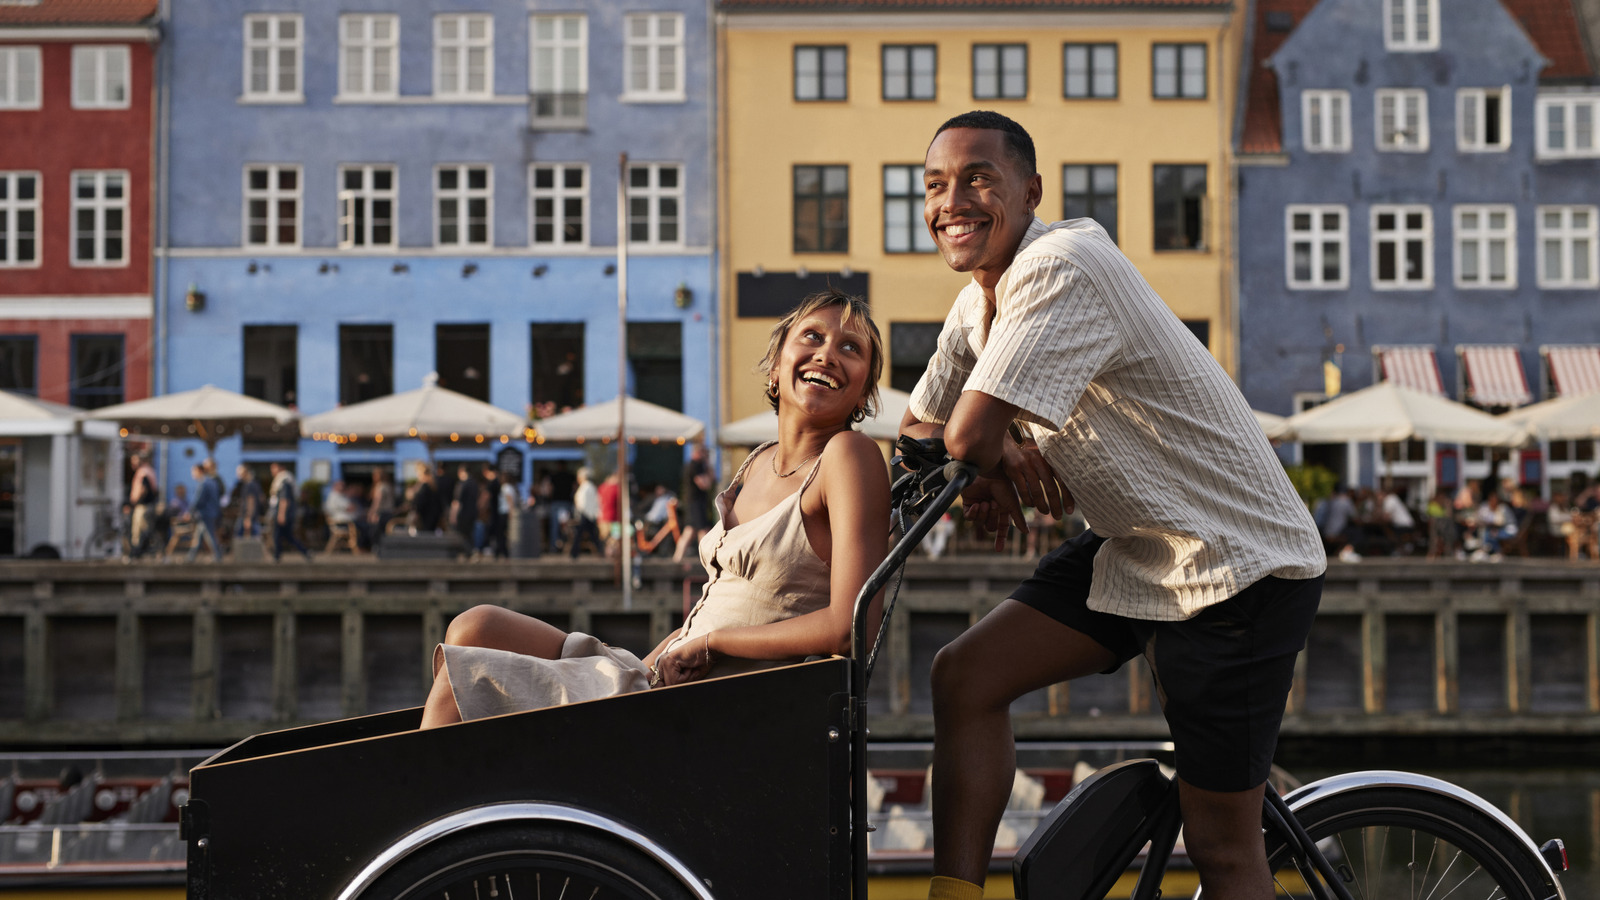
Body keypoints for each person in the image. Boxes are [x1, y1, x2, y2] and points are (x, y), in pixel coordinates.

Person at [899, 112, 1326, 900]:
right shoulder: (975, 307)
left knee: (1223, 845)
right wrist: (1001, 457)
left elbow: (960, 436)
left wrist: (985, 447)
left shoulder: (1061, 264)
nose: (950, 201)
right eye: (934, 186)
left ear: (1032, 192)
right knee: (965, 677)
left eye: (978, 178)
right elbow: (920, 428)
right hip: (1138, 549)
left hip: (1236, 564)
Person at [420, 289, 891, 728]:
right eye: (812, 336)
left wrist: (710, 644)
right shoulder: (756, 462)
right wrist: (648, 664)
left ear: (865, 393)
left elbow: (850, 626)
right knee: (474, 626)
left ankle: (430, 816)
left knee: (462, 681)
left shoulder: (848, 455)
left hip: (713, 709)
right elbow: (716, 604)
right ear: (775, 365)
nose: (828, 353)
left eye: (851, 348)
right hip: (663, 679)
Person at [675, 443, 715, 563]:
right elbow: (705, 484)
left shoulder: (695, 465)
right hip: (695, 503)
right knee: (702, 531)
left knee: (690, 531)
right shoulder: (695, 466)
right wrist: (708, 467)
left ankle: (677, 558)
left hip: (695, 503)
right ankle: (706, 559)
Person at [268, 461, 312, 562]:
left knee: (278, 534)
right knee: (287, 535)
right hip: (284, 513)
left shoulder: (284, 481)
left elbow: (284, 499)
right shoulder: (283, 480)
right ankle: (305, 552)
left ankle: (277, 556)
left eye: (274, 469)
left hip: (284, 513)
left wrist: (281, 514)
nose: (272, 472)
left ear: (280, 468)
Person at [124, 453, 159, 560]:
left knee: (139, 530)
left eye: (134, 461)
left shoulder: (143, 473)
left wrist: (133, 503)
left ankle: (138, 552)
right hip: (147, 505)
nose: (132, 464)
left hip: (143, 506)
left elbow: (143, 489)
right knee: (145, 529)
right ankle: (143, 551)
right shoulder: (148, 471)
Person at [187, 463, 224, 562]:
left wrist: (189, 512)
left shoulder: (204, 483)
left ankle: (218, 556)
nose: (192, 474)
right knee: (199, 535)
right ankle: (191, 557)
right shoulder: (212, 482)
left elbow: (198, 500)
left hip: (205, 513)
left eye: (193, 472)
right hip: (212, 512)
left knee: (210, 536)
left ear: (199, 471)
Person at [568, 467, 601, 558]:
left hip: (586, 515)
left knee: (581, 535)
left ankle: (574, 553)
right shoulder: (588, 487)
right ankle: (574, 553)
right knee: (591, 535)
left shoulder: (587, 487)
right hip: (587, 515)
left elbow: (583, 503)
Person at [364, 468, 396, 549]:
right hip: (389, 513)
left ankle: (377, 547)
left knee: (375, 531)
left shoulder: (380, 486)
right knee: (386, 531)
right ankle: (385, 548)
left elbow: (377, 501)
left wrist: (372, 512)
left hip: (381, 513)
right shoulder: (389, 486)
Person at [230, 465, 265, 540]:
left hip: (247, 516)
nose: (238, 475)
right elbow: (261, 498)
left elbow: (251, 501)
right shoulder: (254, 484)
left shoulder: (249, 485)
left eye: (239, 473)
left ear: (245, 473)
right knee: (255, 535)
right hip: (251, 515)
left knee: (239, 534)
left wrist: (248, 517)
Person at [409, 461, 443, 534]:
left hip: (424, 519)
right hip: (433, 518)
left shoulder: (424, 486)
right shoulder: (433, 485)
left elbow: (419, 503)